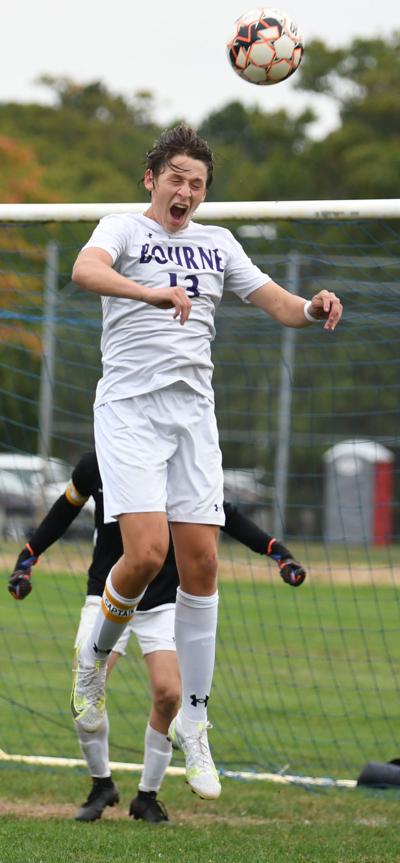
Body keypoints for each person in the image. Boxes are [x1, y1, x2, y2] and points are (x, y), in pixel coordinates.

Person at [69, 123, 343, 801]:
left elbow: (278, 304)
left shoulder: (218, 245)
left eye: (197, 182)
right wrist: (150, 293)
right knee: (142, 555)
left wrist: (312, 307)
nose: (185, 190)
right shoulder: (124, 230)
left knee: (204, 561)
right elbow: (84, 270)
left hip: (194, 416)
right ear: (152, 180)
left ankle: (195, 718)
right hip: (131, 411)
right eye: (176, 177)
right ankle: (93, 661)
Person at [8, 450, 306, 822]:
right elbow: (64, 510)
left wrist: (279, 553)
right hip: (106, 594)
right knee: (87, 685)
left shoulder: (184, 467)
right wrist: (27, 558)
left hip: (162, 601)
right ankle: (102, 783)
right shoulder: (97, 462)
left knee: (169, 694)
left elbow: (225, 514)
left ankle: (147, 795)